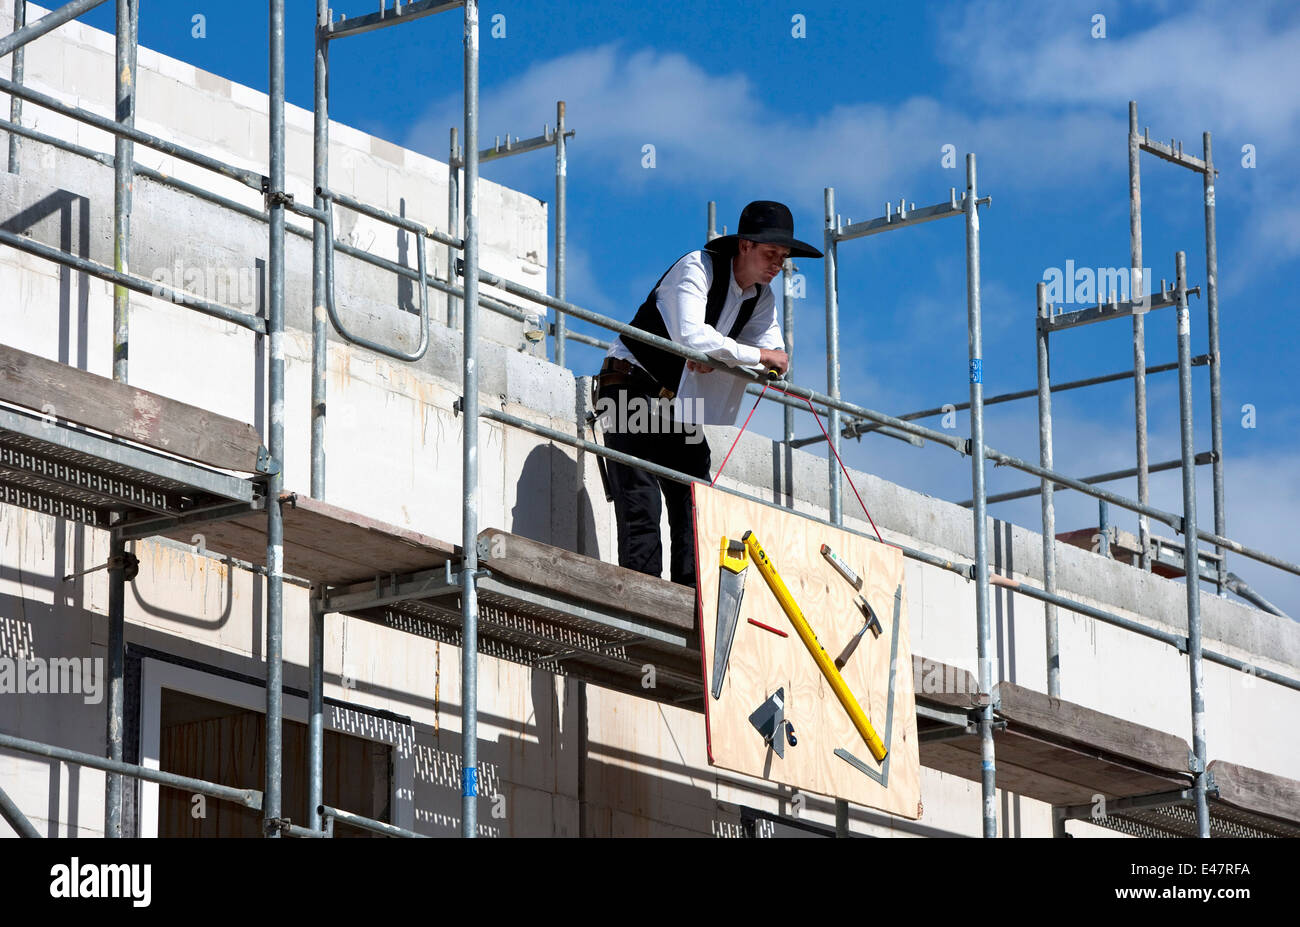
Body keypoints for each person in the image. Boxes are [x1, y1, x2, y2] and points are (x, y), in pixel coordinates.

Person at [594, 200, 823, 586]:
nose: (777, 266)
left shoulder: (761, 297)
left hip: (678, 399)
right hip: (632, 386)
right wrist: (720, 351)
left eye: (783, 258)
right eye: (771, 254)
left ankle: (692, 596)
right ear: (745, 246)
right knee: (641, 499)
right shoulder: (696, 268)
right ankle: (644, 593)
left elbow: (776, 362)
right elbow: (692, 336)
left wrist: (719, 355)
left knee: (694, 493)